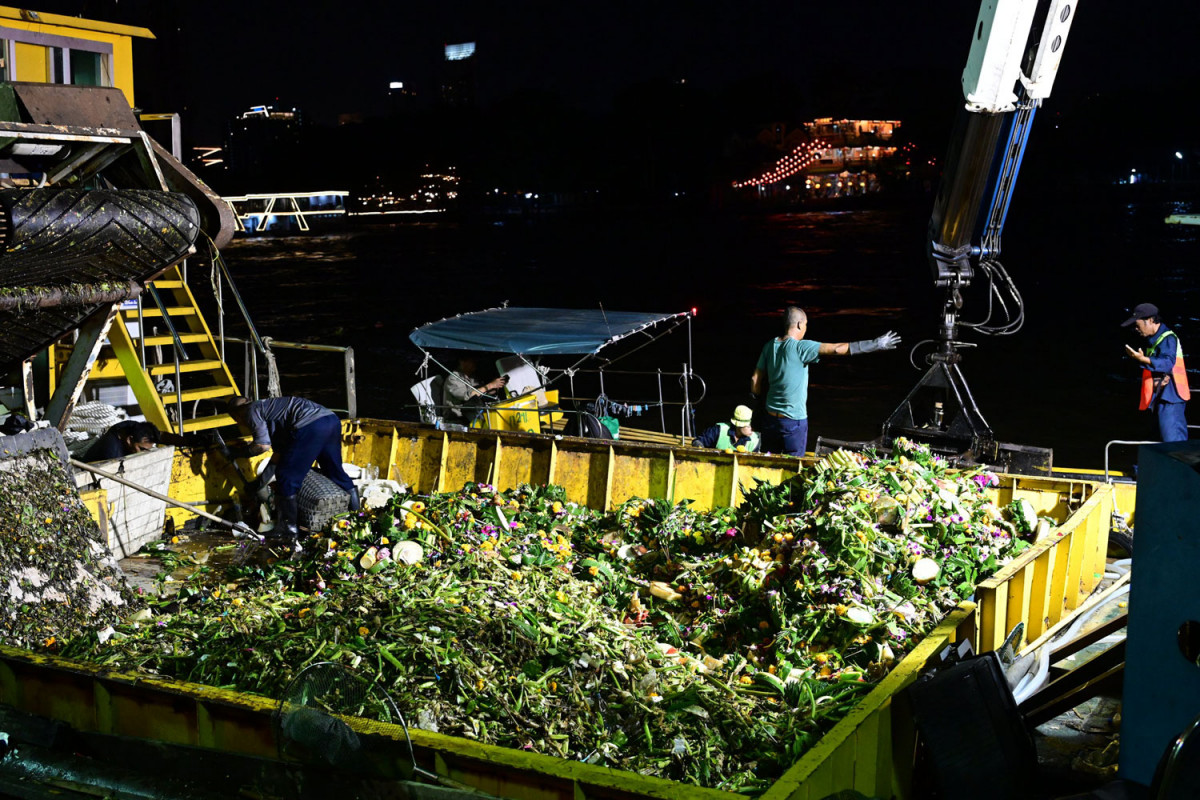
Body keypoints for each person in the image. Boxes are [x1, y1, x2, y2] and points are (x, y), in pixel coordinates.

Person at [750, 306, 900, 456]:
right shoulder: (801, 347)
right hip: (793, 422)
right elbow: (837, 349)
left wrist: (757, 402)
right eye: (806, 324)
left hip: (770, 418)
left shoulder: (769, 345)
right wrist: (875, 344)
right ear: (799, 325)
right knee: (794, 463)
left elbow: (755, 379)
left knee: (768, 459)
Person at [226, 396, 357, 542]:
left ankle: (288, 530)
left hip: (311, 425)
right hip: (331, 420)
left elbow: (262, 445)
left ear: (236, 416)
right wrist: (259, 484)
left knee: (286, 477)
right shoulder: (271, 409)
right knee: (334, 472)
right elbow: (278, 456)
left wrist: (238, 453)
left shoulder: (250, 410)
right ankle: (358, 517)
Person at [1122, 302, 1190, 442]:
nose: (1136, 329)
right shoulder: (1155, 340)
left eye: (1137, 325)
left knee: (1173, 443)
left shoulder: (1168, 338)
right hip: (1162, 396)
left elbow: (1167, 363)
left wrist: (1143, 359)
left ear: (1150, 320)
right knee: (1160, 441)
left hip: (1171, 397)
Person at [442, 354, 508, 424]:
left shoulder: (472, 377)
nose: (475, 363)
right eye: (472, 361)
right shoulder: (453, 379)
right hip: (457, 419)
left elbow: (480, 393)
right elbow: (467, 396)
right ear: (462, 362)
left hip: (472, 415)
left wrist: (496, 387)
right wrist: (490, 385)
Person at [692, 404, 760, 452]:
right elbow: (698, 441)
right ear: (738, 426)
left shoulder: (755, 440)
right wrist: (701, 450)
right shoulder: (719, 430)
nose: (752, 429)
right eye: (748, 426)